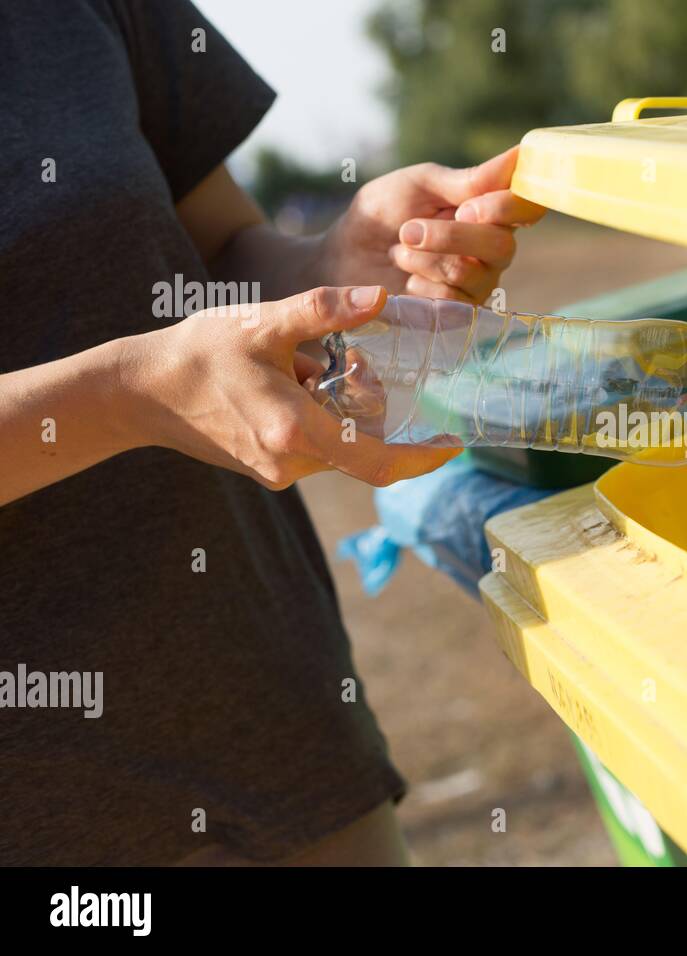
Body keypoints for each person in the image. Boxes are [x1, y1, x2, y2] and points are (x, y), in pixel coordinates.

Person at [0, 0, 545, 865]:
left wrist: (326, 266)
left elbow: (212, 252)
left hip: (284, 743)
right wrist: (130, 395)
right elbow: (144, 374)